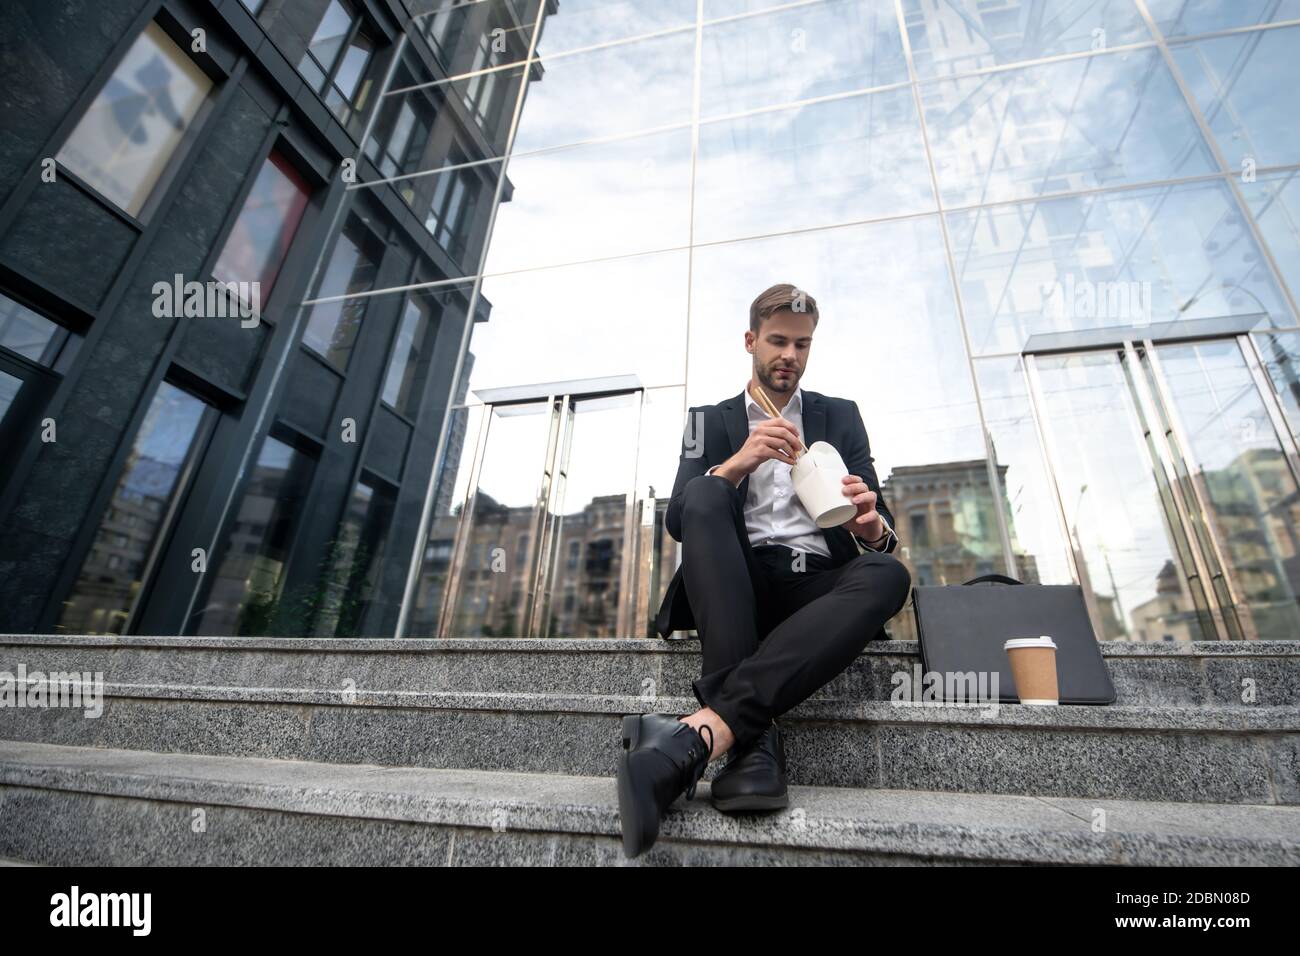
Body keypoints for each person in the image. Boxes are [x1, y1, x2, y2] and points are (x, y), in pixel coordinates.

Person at [617, 282, 912, 859]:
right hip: (737, 582)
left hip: (816, 589)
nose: (790, 356)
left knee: (888, 576)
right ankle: (748, 743)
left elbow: (883, 527)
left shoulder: (840, 416)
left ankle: (698, 736)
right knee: (704, 495)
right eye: (778, 342)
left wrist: (870, 526)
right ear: (751, 341)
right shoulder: (707, 420)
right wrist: (736, 463)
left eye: (802, 345)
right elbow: (680, 517)